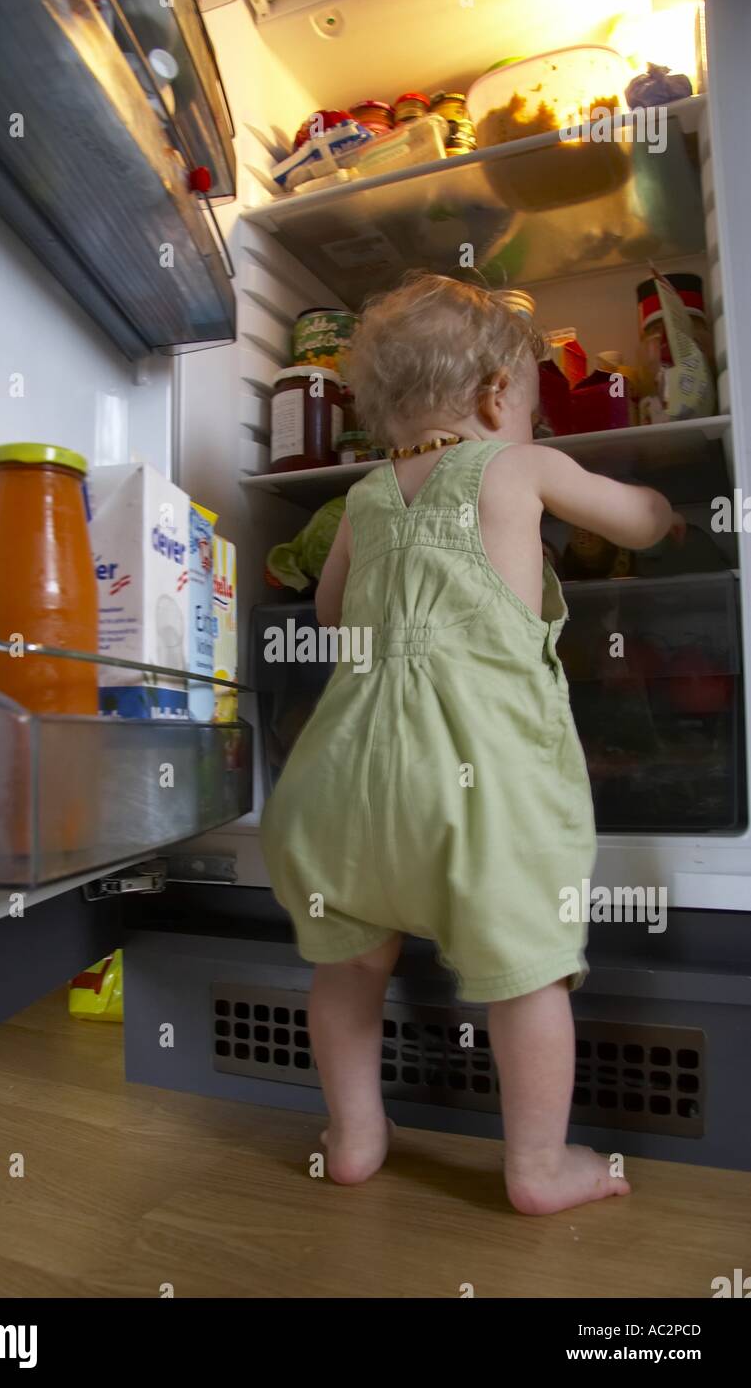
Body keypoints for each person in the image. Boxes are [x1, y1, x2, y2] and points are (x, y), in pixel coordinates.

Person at [261, 274, 683, 1214]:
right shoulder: (519, 469)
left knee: (348, 968)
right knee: (526, 972)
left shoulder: (363, 499)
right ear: (499, 395)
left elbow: (331, 613)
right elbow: (633, 518)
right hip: (479, 783)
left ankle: (356, 1135)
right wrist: (667, 511)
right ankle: (535, 1166)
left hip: (348, 783)